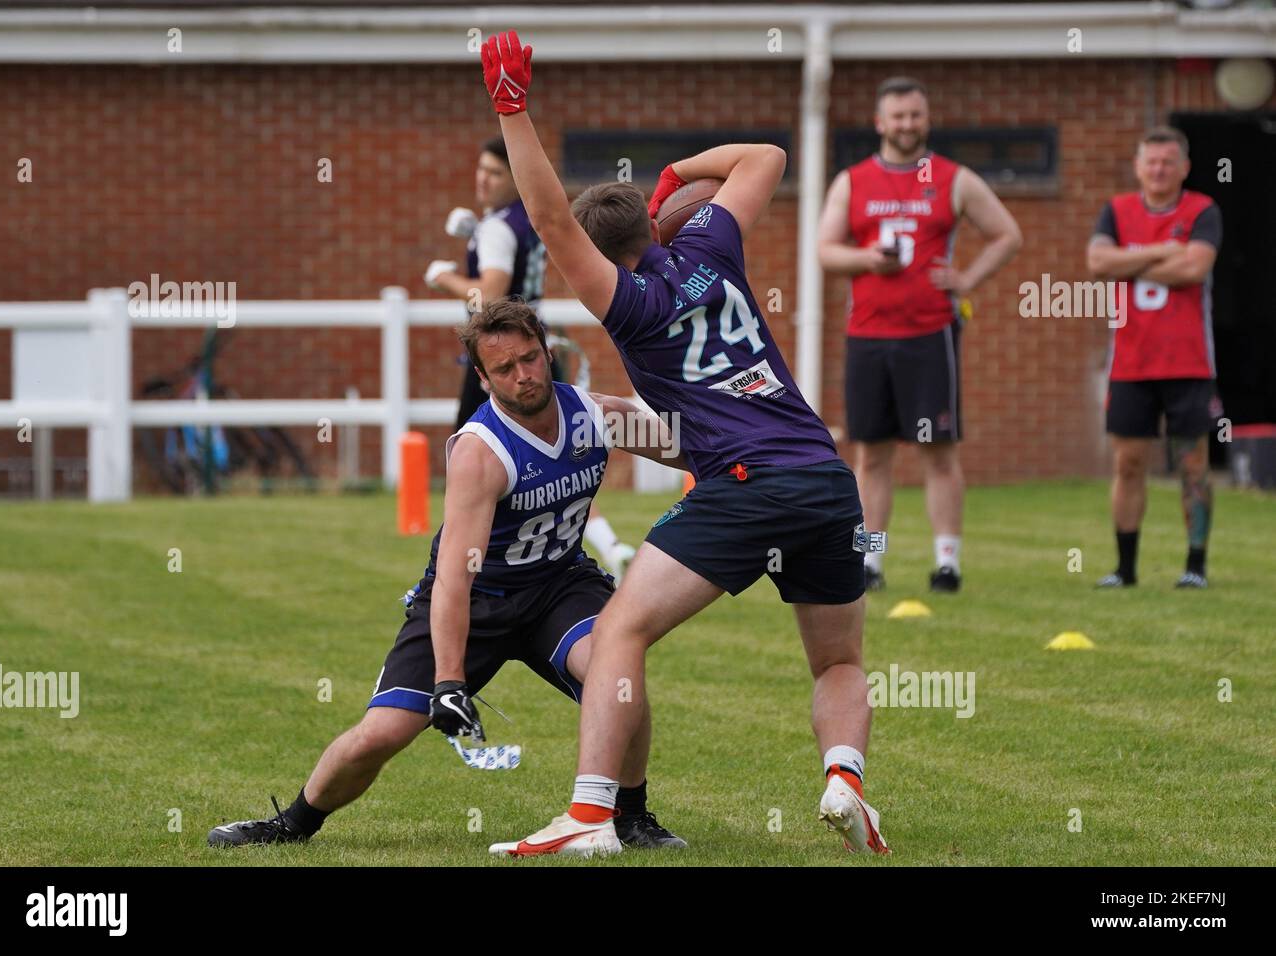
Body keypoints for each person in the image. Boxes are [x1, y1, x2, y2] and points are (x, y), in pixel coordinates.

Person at [478, 30, 888, 858]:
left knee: (619, 634)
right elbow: (764, 155)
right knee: (837, 659)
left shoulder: (626, 303)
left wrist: (512, 110)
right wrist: (680, 178)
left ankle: (591, 816)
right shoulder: (709, 247)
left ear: (603, 254)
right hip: (822, 475)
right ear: (663, 223)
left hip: (743, 482)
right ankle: (845, 778)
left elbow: (550, 219)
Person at [208, 298, 686, 850]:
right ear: (482, 379)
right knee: (381, 734)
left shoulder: (596, 413)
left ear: (547, 352)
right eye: (505, 369)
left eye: (531, 358)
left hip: (558, 584)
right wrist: (450, 684)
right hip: (477, 599)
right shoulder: (480, 452)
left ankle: (631, 817)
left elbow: (687, 448)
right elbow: (458, 578)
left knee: (616, 669)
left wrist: (757, 455)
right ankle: (290, 824)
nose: (524, 376)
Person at [818, 76, 1022, 593]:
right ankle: (871, 561)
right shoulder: (854, 180)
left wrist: (968, 279)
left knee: (939, 452)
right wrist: (866, 259)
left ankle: (946, 562)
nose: (907, 124)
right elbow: (824, 249)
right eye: (898, 116)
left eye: (915, 115)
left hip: (930, 335)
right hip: (867, 335)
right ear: (879, 123)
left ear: (925, 120)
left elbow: (1007, 234)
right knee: (872, 455)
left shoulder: (953, 178)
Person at [426, 137, 637, 578]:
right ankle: (609, 544)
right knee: (562, 463)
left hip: (502, 361)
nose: (483, 179)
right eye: (481, 169)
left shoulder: (500, 227)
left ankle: (462, 567)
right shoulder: (519, 223)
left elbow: (489, 294)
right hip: (534, 351)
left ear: (516, 180)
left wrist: (442, 275)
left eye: (496, 173)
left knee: (473, 465)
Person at [1087, 127, 1223, 589]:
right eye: (1152, 162)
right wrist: (1164, 249)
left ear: (1184, 167)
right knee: (1128, 463)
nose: (1159, 170)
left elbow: (1195, 267)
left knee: (1192, 464)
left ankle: (1195, 566)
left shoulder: (1202, 209)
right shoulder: (1118, 209)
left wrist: (1131, 259)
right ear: (1138, 166)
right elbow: (1098, 264)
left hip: (1188, 361)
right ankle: (1125, 569)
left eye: (1169, 162)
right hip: (1130, 361)